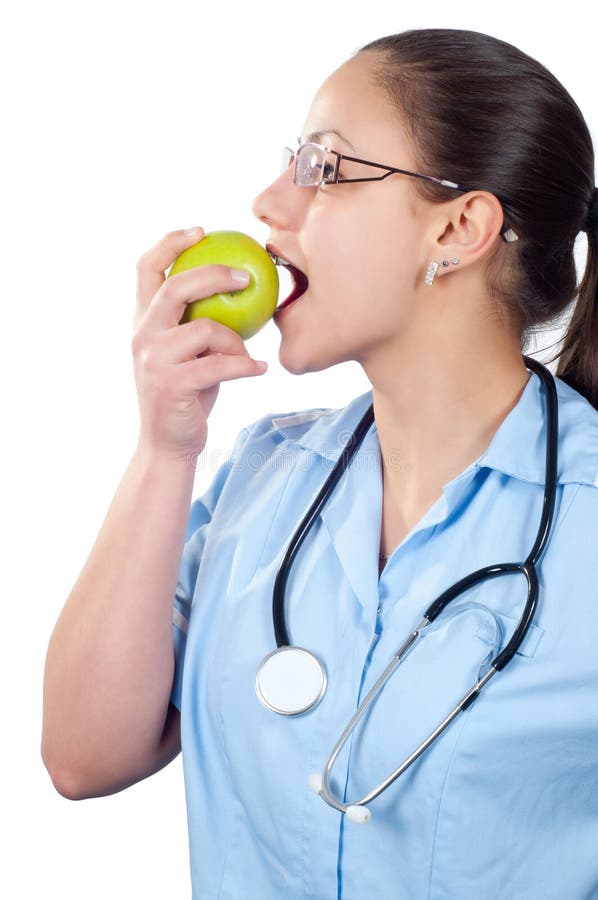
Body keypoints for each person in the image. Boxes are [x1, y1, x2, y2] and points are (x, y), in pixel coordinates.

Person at [42, 27, 598, 899]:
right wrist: (164, 447)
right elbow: (84, 760)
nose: (269, 202)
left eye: (324, 169)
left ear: (459, 228)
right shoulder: (259, 478)